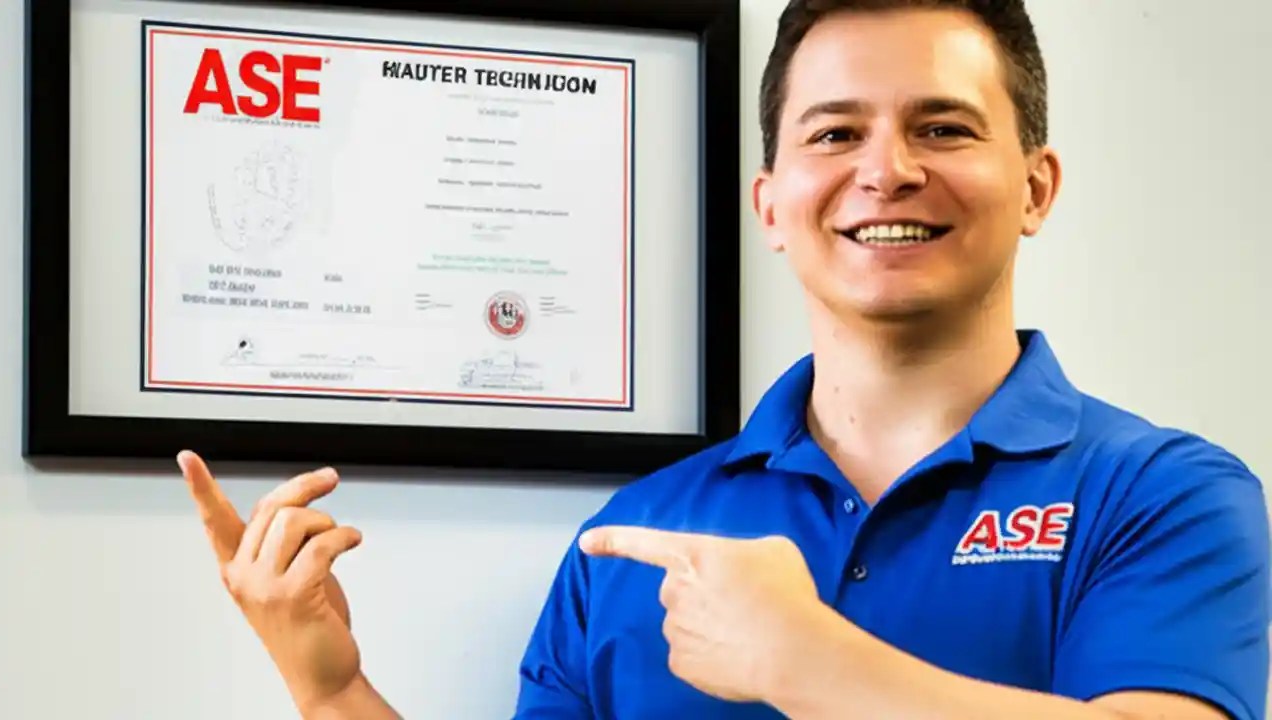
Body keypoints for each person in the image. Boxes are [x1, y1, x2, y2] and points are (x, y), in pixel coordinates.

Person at [179, 1, 1271, 718]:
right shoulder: (635, 536)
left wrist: (808, 662)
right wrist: (329, 689)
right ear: (769, 204)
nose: (884, 171)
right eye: (834, 134)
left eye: (941, 128)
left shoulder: (1163, 495)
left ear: (1033, 186)